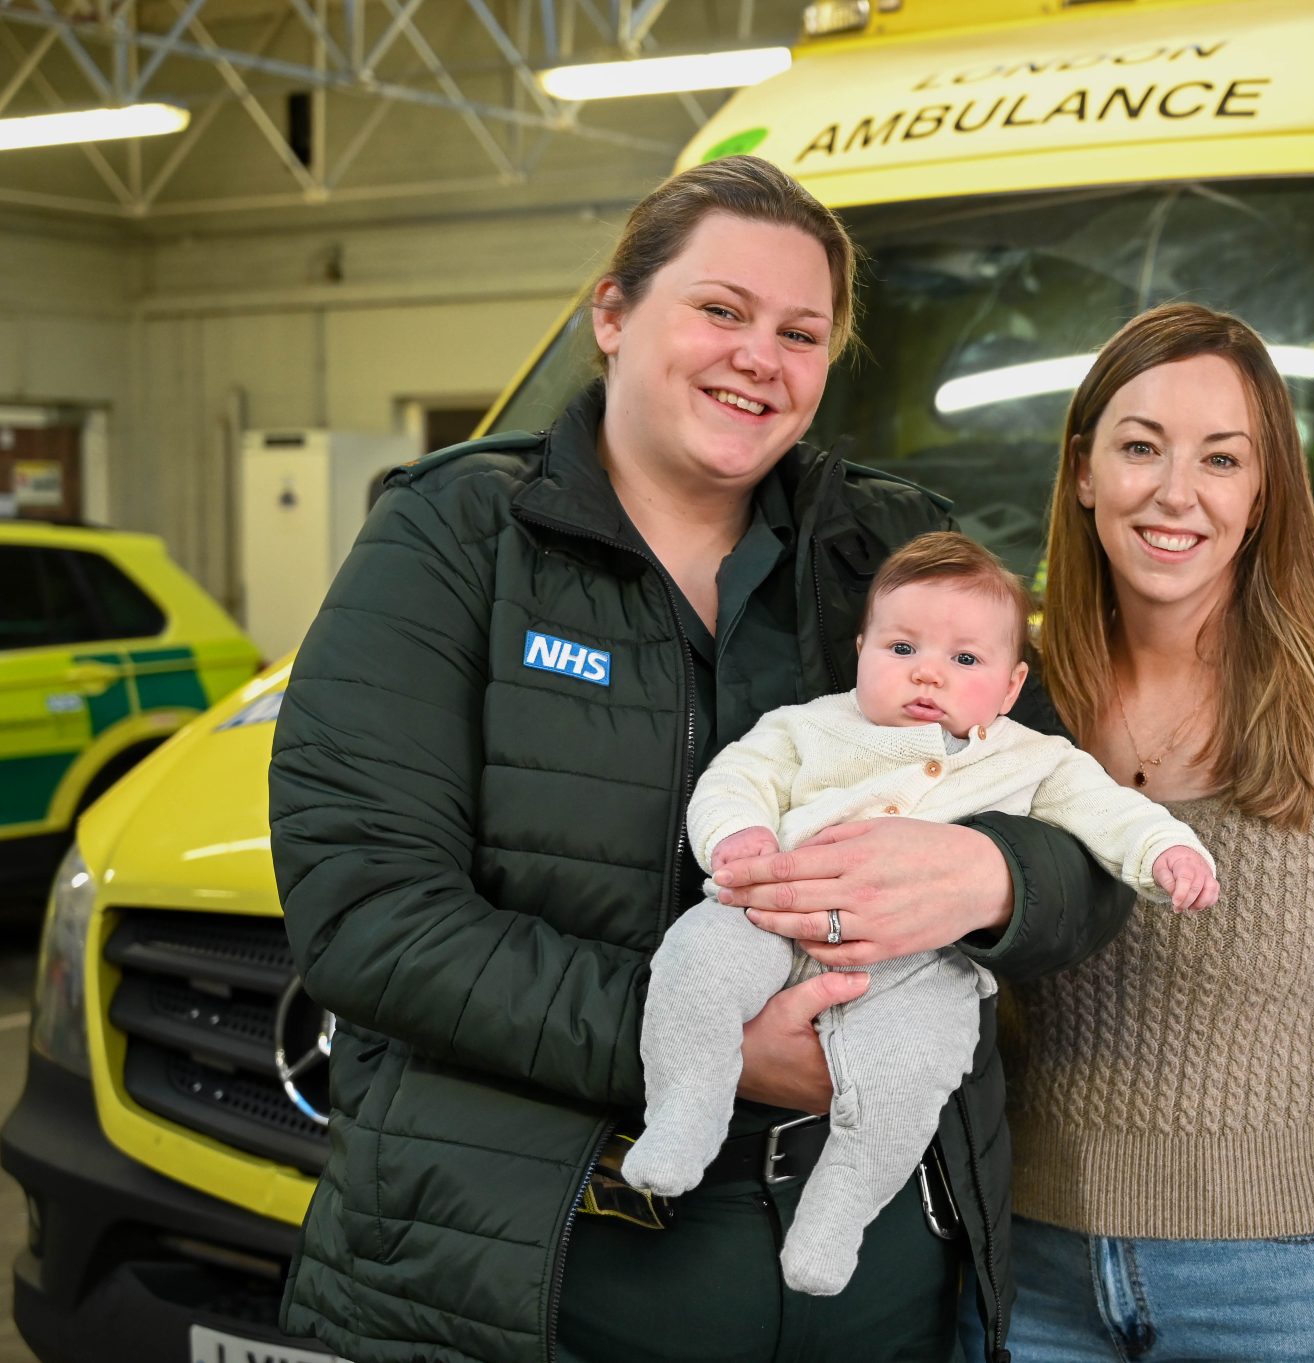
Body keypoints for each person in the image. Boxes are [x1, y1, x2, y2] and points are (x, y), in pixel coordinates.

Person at [268, 155, 1130, 1363]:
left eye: (800, 331)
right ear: (612, 316)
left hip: (878, 1280)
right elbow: (366, 912)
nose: (757, 357)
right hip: (537, 1269)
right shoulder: (455, 538)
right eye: (719, 309)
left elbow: (1079, 842)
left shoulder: (888, 549)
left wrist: (992, 884)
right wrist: (701, 1043)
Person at [982, 302, 1314, 1363]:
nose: (1175, 492)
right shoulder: (1010, 703)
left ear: (1262, 492)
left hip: (1285, 1289)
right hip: (1030, 1275)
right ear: (1083, 471)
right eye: (1139, 448)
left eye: (1220, 459)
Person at [622, 530, 1216, 1296]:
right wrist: (738, 835)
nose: (928, 671)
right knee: (694, 964)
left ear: (1009, 687)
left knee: (916, 1070)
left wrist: (1168, 852)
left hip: (924, 967)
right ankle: (684, 1109)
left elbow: (1112, 812)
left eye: (966, 660)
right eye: (902, 646)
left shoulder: (1034, 758)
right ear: (862, 647)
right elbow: (737, 778)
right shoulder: (808, 725)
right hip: (773, 906)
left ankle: (841, 1207)